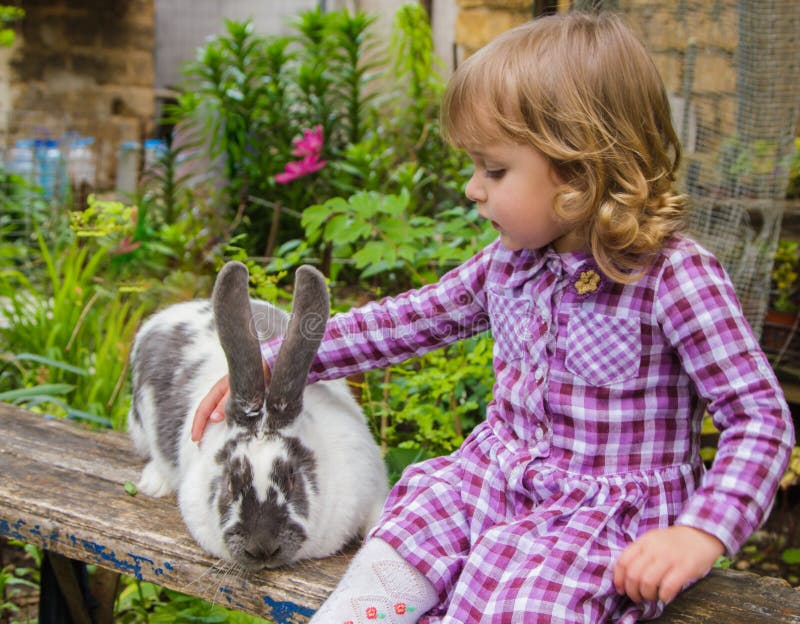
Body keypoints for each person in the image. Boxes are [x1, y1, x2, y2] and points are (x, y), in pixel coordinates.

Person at [192, 11, 795, 623]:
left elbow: (760, 420)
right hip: (491, 480)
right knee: (404, 543)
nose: (473, 189)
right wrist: (274, 361)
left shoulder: (674, 278)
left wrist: (701, 534)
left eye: (495, 170)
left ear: (580, 173)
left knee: (521, 601)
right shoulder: (508, 265)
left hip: (598, 523)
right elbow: (406, 321)